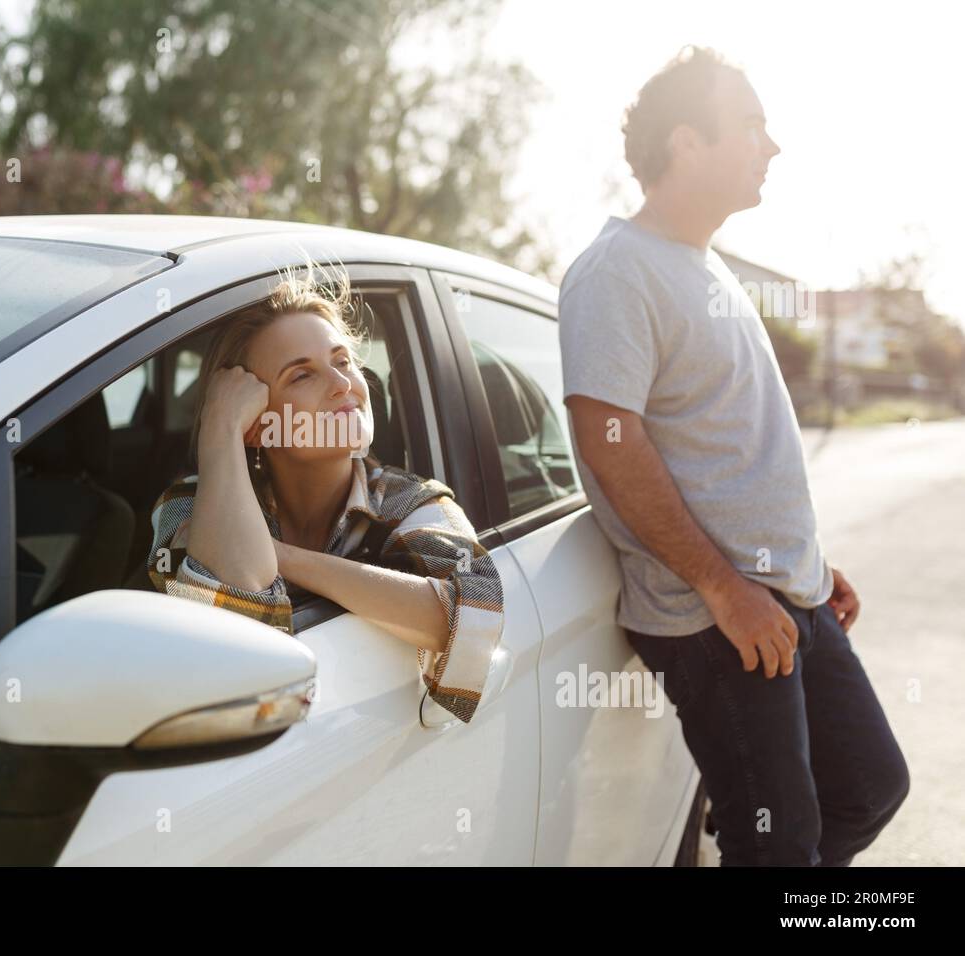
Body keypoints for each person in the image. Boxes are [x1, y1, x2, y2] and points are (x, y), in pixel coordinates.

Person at [557, 46, 908, 864]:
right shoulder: (616, 272)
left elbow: (729, 445)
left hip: (790, 594)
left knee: (869, 786)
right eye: (751, 125)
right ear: (686, 143)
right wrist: (723, 584)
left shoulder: (704, 266)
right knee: (779, 846)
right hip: (714, 615)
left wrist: (807, 564)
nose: (771, 145)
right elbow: (608, 441)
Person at [146, 264, 503, 724]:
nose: (343, 385)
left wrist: (281, 556)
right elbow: (228, 622)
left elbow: (470, 616)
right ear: (256, 422)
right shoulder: (190, 505)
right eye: (302, 376)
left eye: (342, 361)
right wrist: (221, 428)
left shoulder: (408, 501)